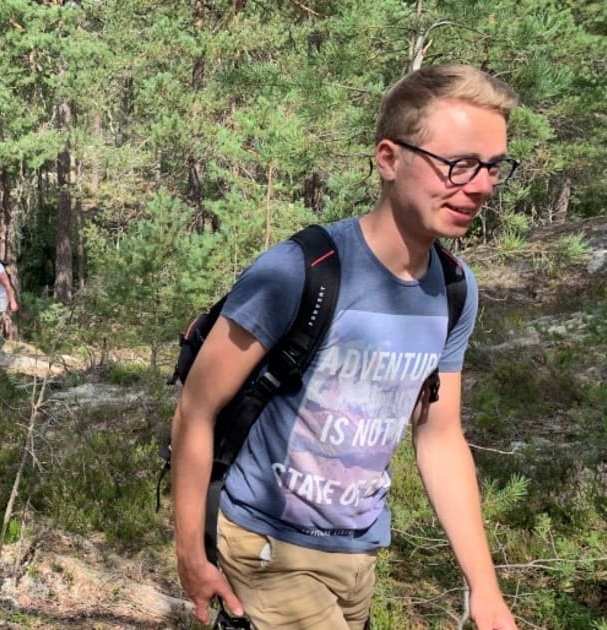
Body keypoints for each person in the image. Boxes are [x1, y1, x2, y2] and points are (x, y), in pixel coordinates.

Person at [172, 64, 520, 629]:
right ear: (389, 158)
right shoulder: (299, 271)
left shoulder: (455, 290)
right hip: (268, 546)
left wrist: (485, 589)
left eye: (492, 168)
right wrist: (191, 552)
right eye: (458, 164)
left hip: (358, 554)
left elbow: (439, 434)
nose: (479, 186)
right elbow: (196, 407)